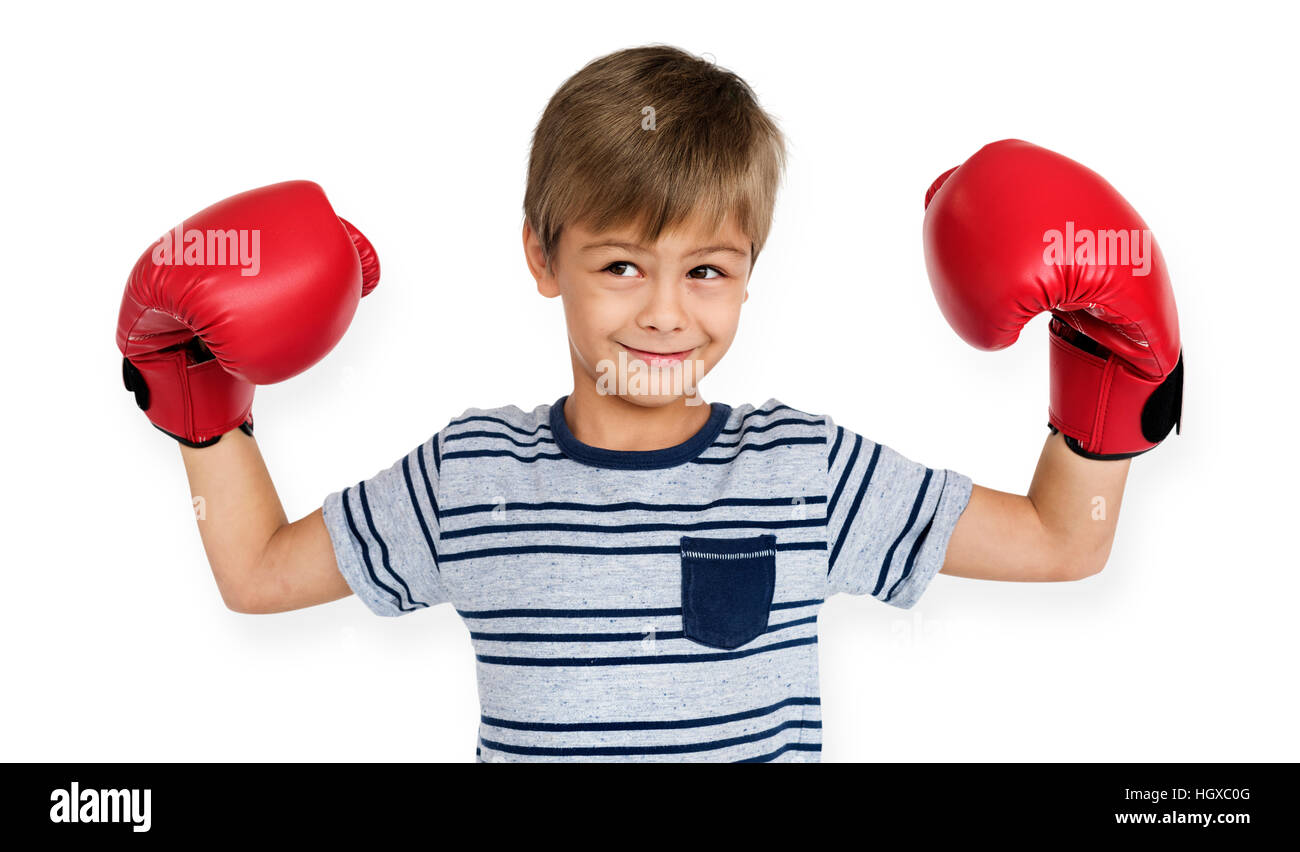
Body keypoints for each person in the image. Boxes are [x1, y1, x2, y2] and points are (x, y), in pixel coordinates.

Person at [120, 45, 1181, 762]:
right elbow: (257, 573)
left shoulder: (802, 471)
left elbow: (1059, 544)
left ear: (751, 273)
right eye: (622, 265)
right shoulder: (471, 473)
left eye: (707, 271)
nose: (667, 314)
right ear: (543, 258)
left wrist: (1110, 377)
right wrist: (198, 400)